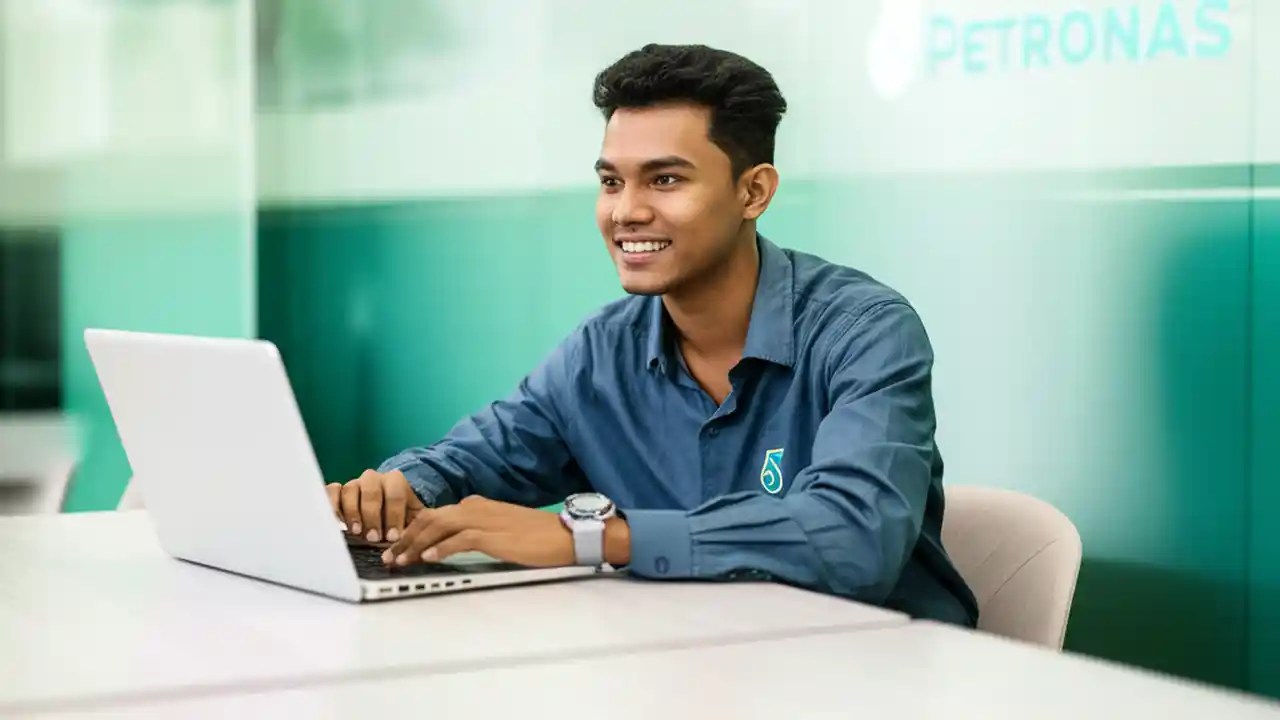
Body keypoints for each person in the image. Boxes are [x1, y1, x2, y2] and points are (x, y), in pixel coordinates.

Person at [326, 43, 977, 625]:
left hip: (874, 674)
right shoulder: (602, 352)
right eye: (612, 182)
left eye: (665, 179)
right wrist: (397, 491)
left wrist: (594, 537)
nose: (627, 211)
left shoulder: (864, 331)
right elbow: (478, 457)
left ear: (753, 192)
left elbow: (852, 537)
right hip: (694, 671)